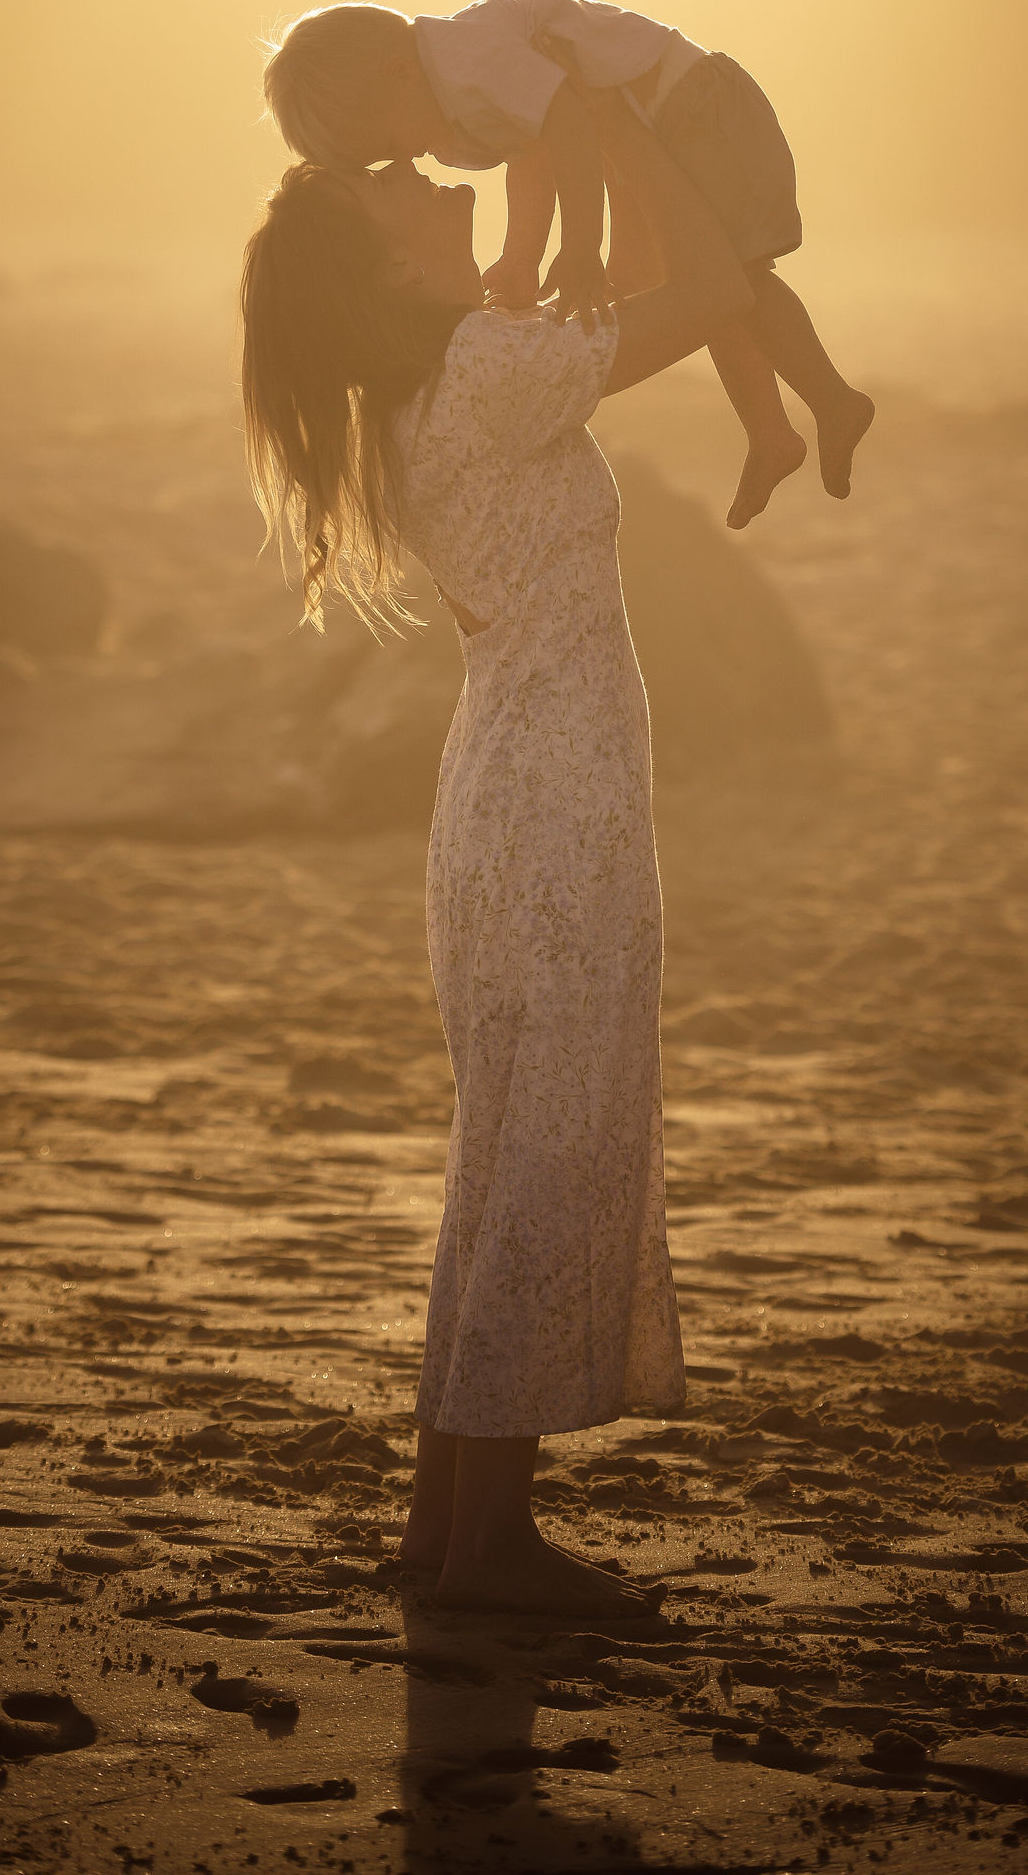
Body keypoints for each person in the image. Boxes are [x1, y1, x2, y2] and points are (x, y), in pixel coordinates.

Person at [240, 84, 759, 1615]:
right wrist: (621, 116)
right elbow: (712, 287)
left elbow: (537, 260)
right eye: (392, 184)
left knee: (506, 1153)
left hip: (508, 789)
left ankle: (444, 1530)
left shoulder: (447, 370)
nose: (414, 167)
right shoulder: (479, 371)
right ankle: (494, 1550)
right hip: (556, 796)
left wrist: (553, 143)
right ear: (391, 272)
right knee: (544, 1151)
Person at [263, 0, 875, 531]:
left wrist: (581, 246)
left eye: (390, 145)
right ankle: (771, 431)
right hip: (650, 126)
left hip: (688, 105)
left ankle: (830, 399)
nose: (405, 163)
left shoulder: (468, 60)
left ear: (399, 74)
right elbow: (533, 148)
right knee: (705, 281)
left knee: (735, 275)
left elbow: (567, 125)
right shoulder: (455, 91)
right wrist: (523, 255)